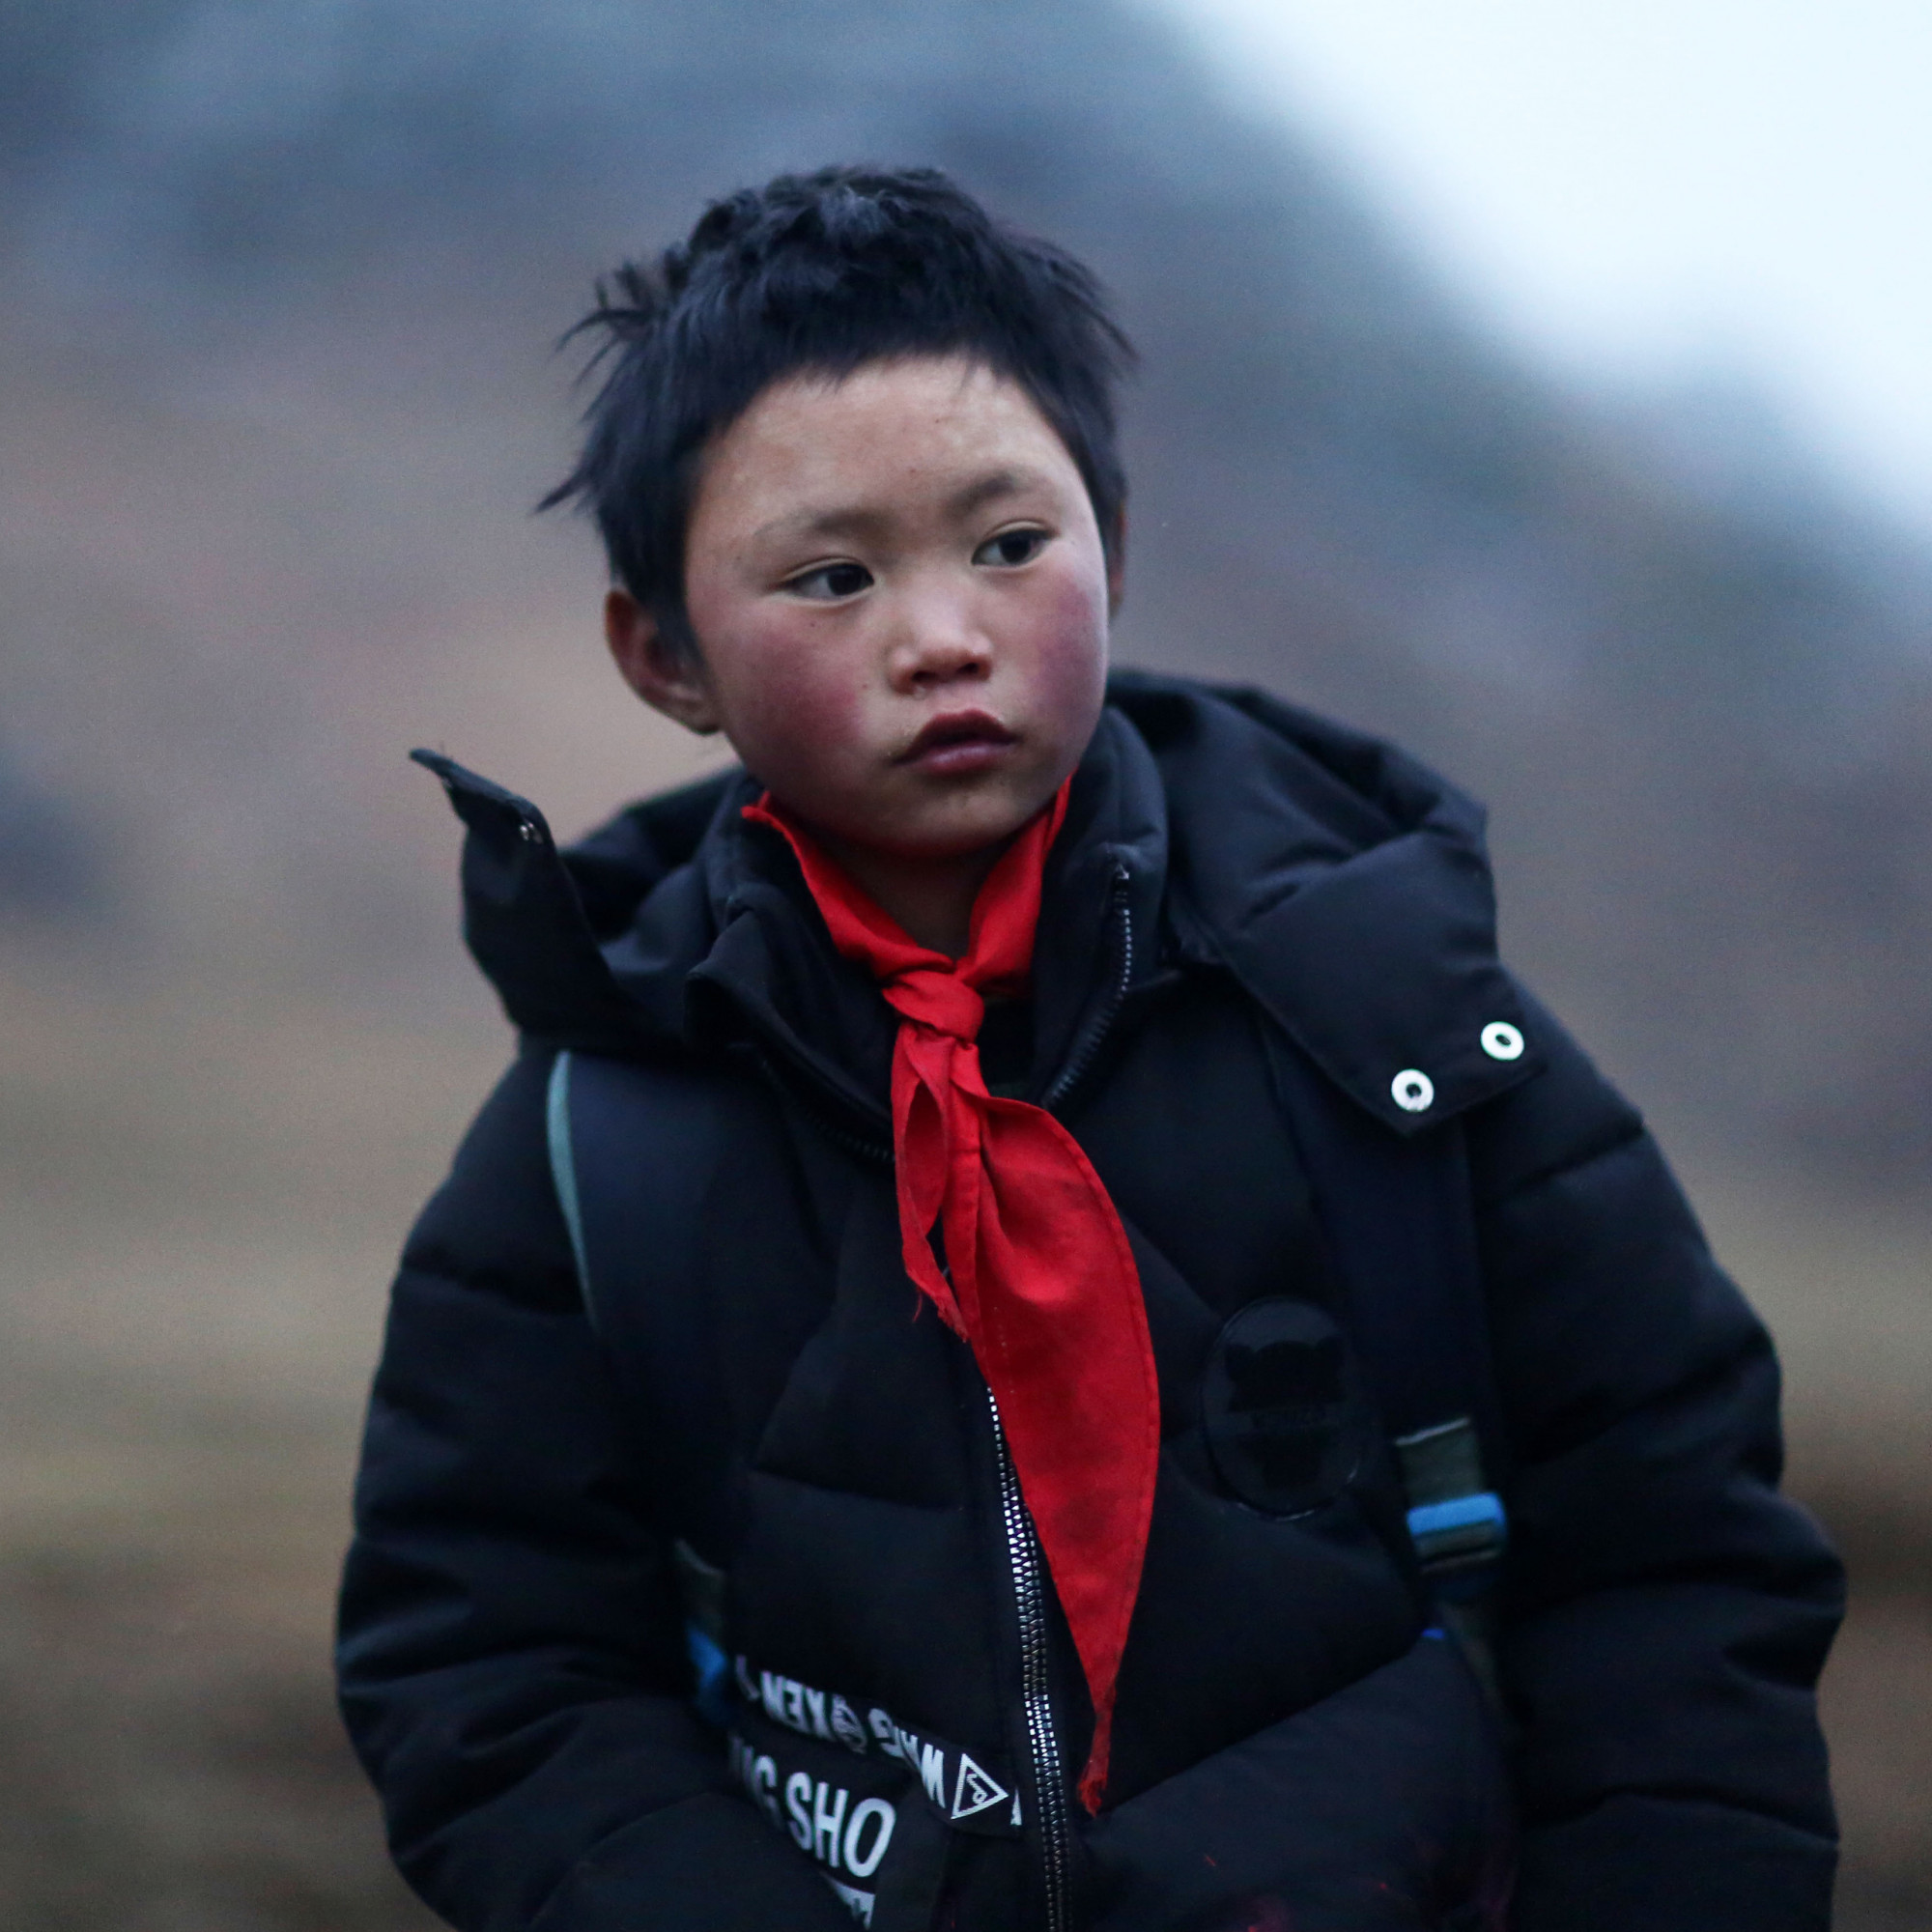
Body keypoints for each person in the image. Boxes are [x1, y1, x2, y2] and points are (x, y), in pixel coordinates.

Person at [335, 167, 1842, 1932]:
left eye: (1010, 544)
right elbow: (491, 1666)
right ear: (664, 656)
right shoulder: (607, 1134)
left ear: (1113, 549)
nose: (944, 635)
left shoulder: (1390, 1026)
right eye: (832, 577)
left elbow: (1674, 1555)